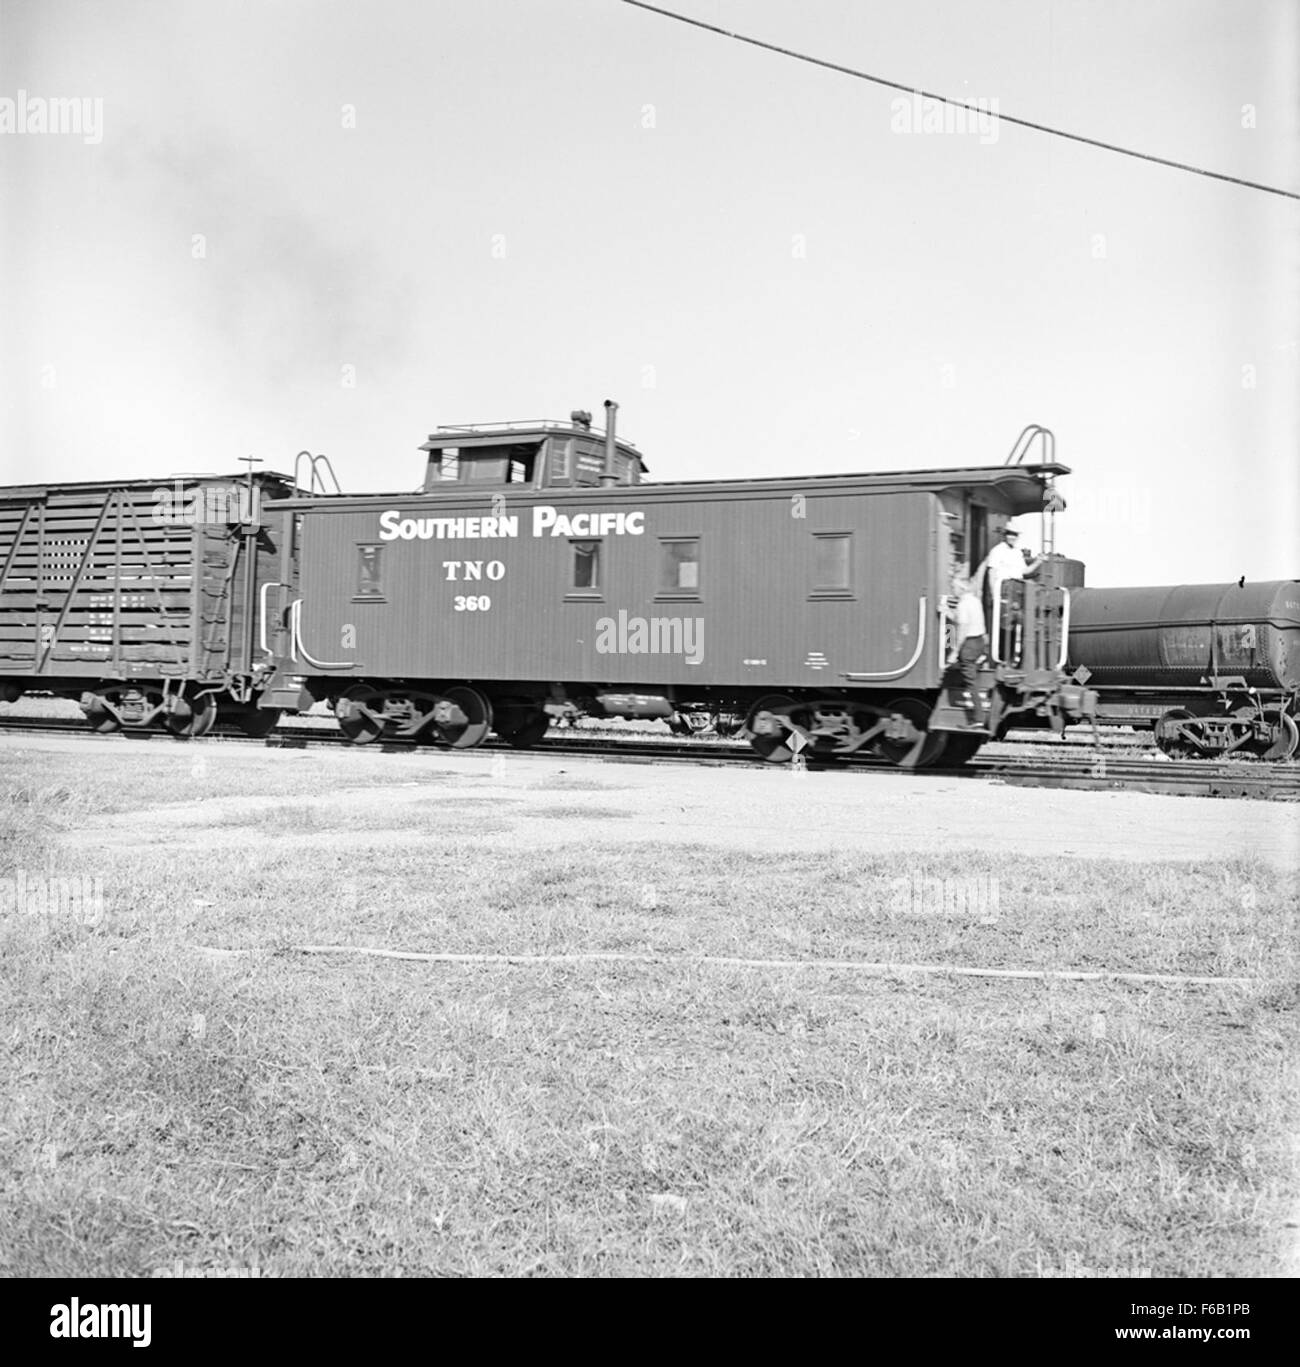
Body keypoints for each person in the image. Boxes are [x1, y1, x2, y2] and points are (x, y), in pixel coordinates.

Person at [948, 573, 987, 712]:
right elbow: (962, 620)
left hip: (969, 646)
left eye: (953, 587)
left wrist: (955, 652)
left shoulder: (963, 604)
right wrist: (948, 612)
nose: (952, 589)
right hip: (979, 643)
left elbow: (963, 628)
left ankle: (978, 718)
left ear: (961, 588)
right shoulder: (975, 600)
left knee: (971, 683)